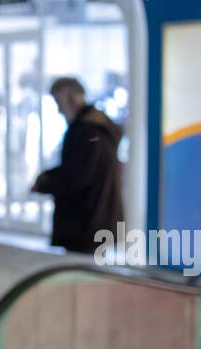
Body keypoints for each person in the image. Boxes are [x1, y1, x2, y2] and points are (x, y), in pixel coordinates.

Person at [31, 76, 124, 254]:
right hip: (95, 223)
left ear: (71, 98)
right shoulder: (95, 126)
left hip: (86, 225)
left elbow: (77, 177)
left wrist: (45, 182)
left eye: (59, 102)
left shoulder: (87, 130)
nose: (59, 110)